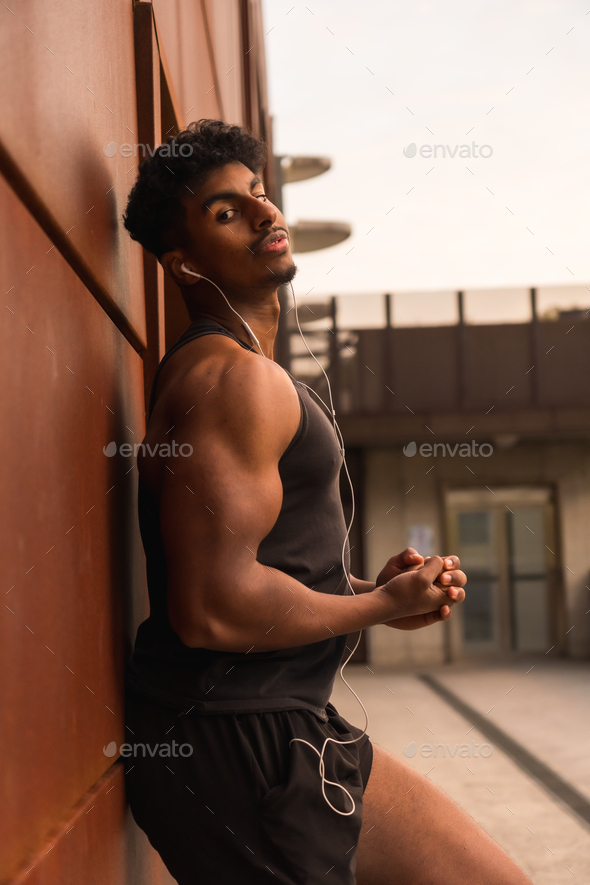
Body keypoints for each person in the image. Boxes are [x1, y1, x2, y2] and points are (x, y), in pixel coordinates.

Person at [122, 120, 531, 884]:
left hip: (276, 725)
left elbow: (253, 574)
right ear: (181, 263)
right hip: (240, 738)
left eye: (257, 193)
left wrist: (370, 592)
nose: (262, 212)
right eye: (224, 211)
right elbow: (211, 607)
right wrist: (375, 610)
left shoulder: (245, 372)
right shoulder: (234, 381)